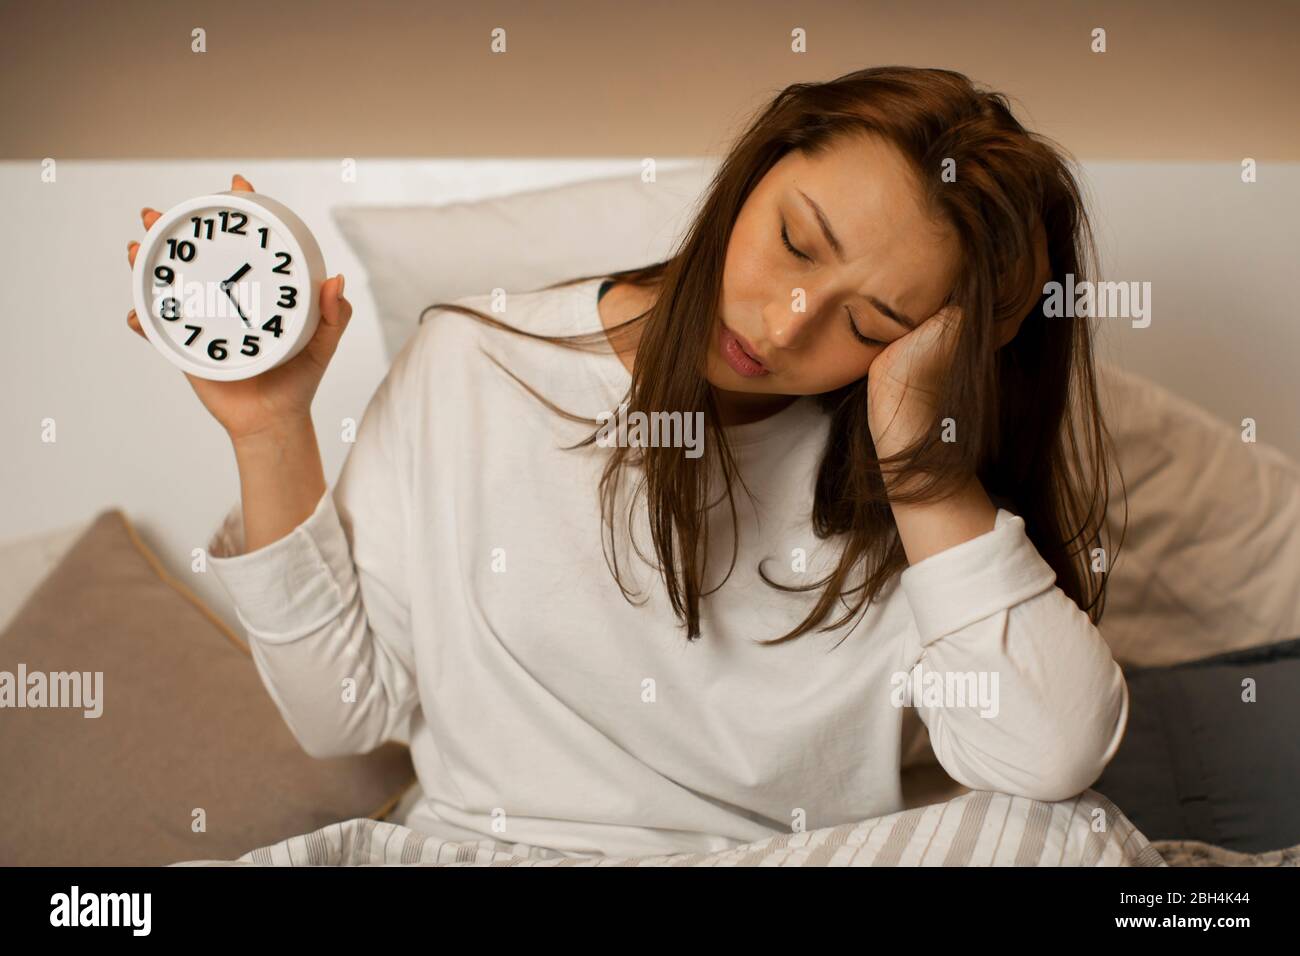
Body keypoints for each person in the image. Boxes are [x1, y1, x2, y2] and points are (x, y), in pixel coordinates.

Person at [125, 66, 1129, 861]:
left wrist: (928, 467)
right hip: (493, 850)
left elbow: (1046, 755)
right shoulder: (474, 363)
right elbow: (341, 713)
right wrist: (268, 431)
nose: (784, 326)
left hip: (772, 858)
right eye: (792, 241)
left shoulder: (905, 485)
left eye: (870, 322)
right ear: (754, 173)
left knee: (1070, 844)